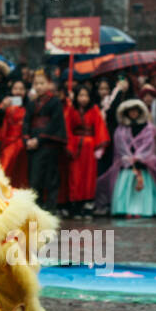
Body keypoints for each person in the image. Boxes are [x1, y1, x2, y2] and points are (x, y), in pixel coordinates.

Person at [97, 98, 156, 217]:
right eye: (130, 111)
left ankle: (142, 210)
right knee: (126, 187)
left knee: (141, 189)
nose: (133, 113)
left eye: (135, 111)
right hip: (126, 166)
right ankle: (125, 209)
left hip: (143, 166)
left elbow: (149, 145)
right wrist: (128, 158)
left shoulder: (148, 128)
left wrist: (139, 157)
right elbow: (120, 146)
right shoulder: (120, 130)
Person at [63, 84, 110, 219]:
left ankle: (88, 204)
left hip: (90, 147)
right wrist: (69, 145)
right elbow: (68, 128)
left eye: (86, 95)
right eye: (81, 95)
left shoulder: (94, 110)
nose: (83, 98)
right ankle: (76, 205)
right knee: (75, 176)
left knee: (89, 176)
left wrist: (99, 146)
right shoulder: (71, 110)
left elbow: (100, 127)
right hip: (76, 146)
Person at [24, 71, 67, 212]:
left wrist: (40, 139)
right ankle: (37, 207)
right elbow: (26, 122)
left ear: (49, 84)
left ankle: (50, 207)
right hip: (33, 144)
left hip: (49, 143)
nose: (39, 86)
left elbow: (55, 123)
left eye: (42, 83)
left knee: (50, 177)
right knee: (35, 178)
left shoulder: (55, 102)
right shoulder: (31, 103)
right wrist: (27, 138)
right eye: (36, 83)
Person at [0, 77, 29, 189]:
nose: (18, 91)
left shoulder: (29, 106)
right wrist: (3, 108)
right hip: (8, 144)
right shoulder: (5, 106)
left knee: (22, 174)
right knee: (5, 170)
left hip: (23, 145)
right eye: (15, 88)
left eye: (21, 89)